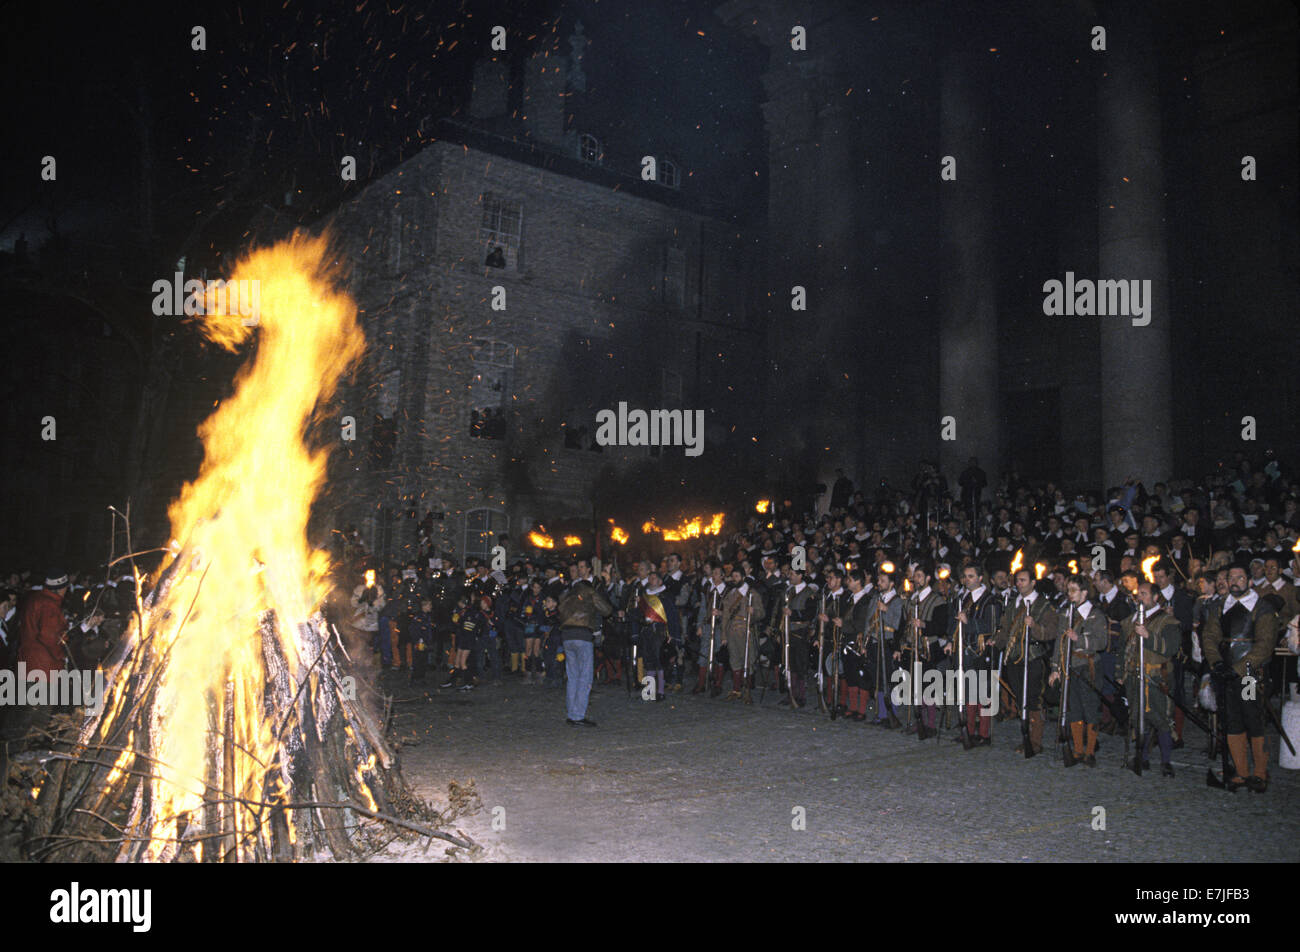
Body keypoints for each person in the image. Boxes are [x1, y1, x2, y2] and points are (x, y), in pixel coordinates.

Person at [1202, 563, 1280, 791]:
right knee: (1232, 720)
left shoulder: (1262, 607)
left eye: (1240, 577)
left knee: (1253, 719)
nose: (1235, 581)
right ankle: (1241, 772)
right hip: (1224, 673)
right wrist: (1216, 661)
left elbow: (1265, 645)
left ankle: (1259, 773)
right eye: (1231, 577)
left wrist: (1237, 669)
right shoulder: (1219, 606)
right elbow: (1210, 636)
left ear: (1250, 581)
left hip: (1249, 675)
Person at [1121, 581, 1181, 776]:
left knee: (1161, 719)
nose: (1140, 597)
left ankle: (1166, 762)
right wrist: (1120, 674)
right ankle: (1142, 758)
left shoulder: (1167, 621)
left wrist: (1147, 636)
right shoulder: (1131, 620)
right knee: (1138, 717)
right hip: (1133, 675)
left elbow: (1170, 648)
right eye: (1139, 594)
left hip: (1155, 676)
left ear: (1156, 597)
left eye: (1145, 594)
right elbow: (1123, 649)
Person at [1048, 575, 1107, 766]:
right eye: (1069, 590)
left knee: (1090, 708)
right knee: (1073, 709)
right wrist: (1056, 668)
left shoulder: (1095, 615)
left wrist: (1078, 640)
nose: (1070, 594)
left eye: (1074, 590)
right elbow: (1059, 642)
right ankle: (1078, 750)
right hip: (1069, 666)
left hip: (1087, 666)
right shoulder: (1066, 613)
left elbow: (1101, 642)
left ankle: (1090, 751)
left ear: (1084, 592)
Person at [557, 562, 612, 725]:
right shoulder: (590, 591)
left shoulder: (567, 594)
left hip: (567, 635)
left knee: (572, 676)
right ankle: (578, 715)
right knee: (585, 676)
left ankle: (571, 711)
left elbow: (559, 610)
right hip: (582, 635)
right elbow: (606, 610)